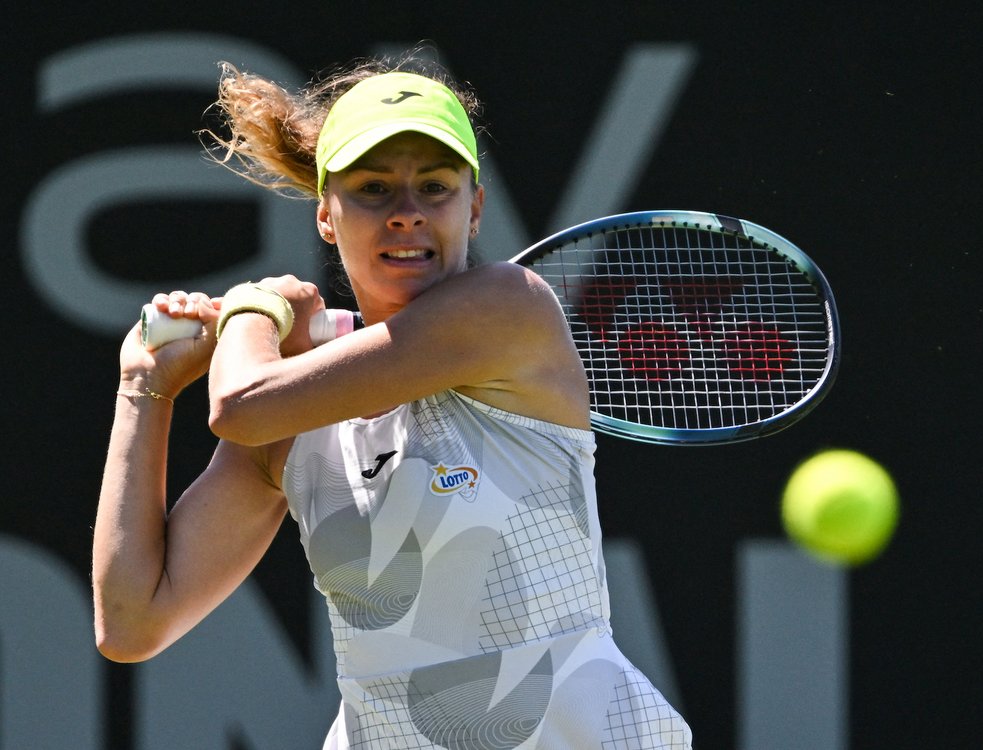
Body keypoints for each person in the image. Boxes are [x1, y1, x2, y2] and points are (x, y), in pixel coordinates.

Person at [91, 51, 693, 748]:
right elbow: (132, 622)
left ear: (475, 209)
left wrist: (253, 310)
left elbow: (241, 403)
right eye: (373, 189)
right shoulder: (298, 413)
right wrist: (146, 389)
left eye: (434, 187)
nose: (407, 214)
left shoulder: (507, 307)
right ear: (326, 216)